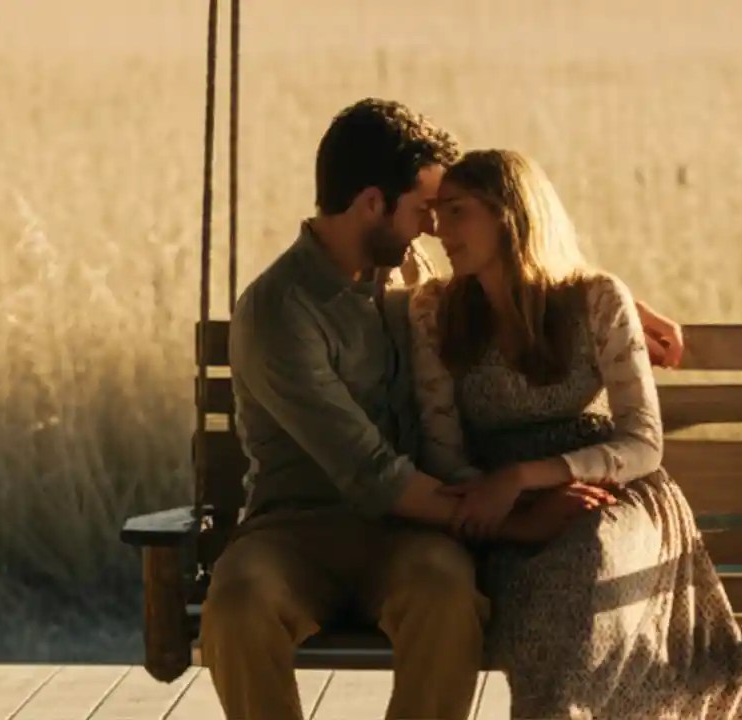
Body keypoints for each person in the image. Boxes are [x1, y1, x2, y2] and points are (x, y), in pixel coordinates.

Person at [200, 98, 684, 720]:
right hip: (297, 529)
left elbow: (509, 245)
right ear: (373, 203)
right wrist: (513, 522)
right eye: (424, 210)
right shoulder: (280, 310)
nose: (433, 227)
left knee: (444, 592)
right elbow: (373, 473)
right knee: (239, 601)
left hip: (409, 534)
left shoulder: (401, 277)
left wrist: (616, 306)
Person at [407, 149, 742, 719]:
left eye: (456, 213)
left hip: (606, 490)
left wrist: (530, 475)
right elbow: (443, 450)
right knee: (547, 598)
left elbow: (644, 442)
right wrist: (511, 508)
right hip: (500, 510)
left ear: (507, 214)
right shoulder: (437, 313)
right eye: (435, 214)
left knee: (592, 562)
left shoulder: (595, 299)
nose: (438, 230)